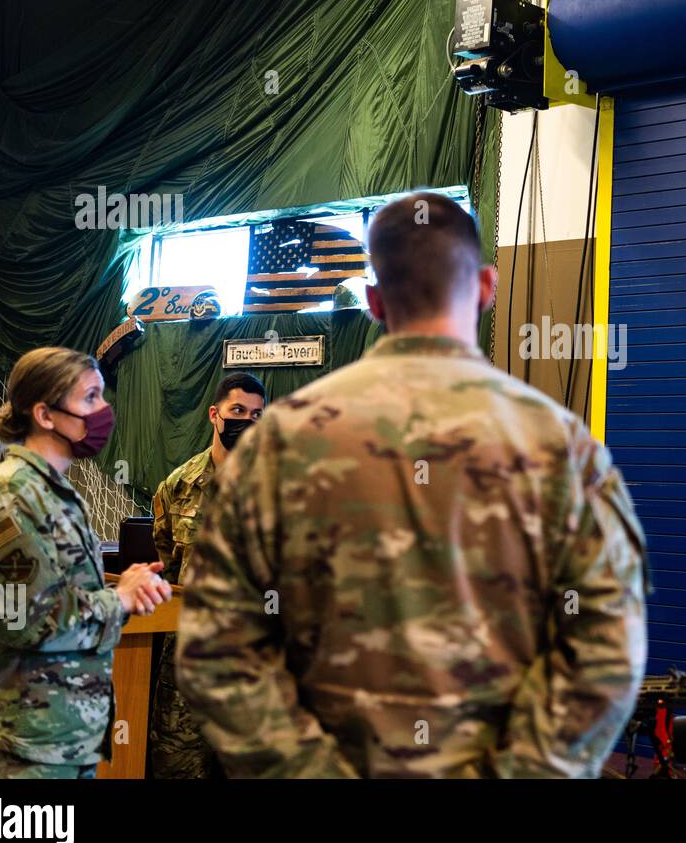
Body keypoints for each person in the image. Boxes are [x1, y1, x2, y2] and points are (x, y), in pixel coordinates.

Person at [178, 191, 648, 778]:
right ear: (485, 288)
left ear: (374, 301)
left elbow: (214, 647)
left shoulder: (282, 441)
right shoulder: (561, 446)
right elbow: (608, 646)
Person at [0, 347, 172, 778]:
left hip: (60, 743)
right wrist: (117, 601)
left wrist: (124, 591)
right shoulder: (6, 499)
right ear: (46, 415)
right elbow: (29, 620)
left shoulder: (54, 495)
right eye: (90, 398)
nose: (103, 410)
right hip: (15, 750)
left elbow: (61, 600)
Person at [148, 372, 266, 779]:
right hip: (186, 667)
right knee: (177, 770)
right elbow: (167, 560)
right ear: (214, 415)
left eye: (256, 415)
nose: (246, 422)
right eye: (238, 411)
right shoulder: (176, 486)